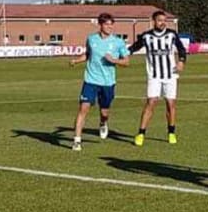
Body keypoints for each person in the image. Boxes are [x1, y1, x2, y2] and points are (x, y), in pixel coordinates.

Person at [69, 12, 131, 150]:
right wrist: (77, 60)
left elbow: (126, 62)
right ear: (100, 24)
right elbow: (88, 54)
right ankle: (77, 141)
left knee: (104, 112)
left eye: (111, 24)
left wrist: (114, 60)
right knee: (83, 108)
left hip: (108, 82)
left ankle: (103, 123)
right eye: (106, 24)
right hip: (90, 79)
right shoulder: (91, 39)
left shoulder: (118, 42)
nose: (109, 27)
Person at [129, 10, 188, 146]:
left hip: (170, 75)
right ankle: (141, 133)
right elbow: (134, 47)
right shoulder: (146, 36)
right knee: (151, 103)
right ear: (154, 21)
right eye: (160, 20)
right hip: (154, 76)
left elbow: (181, 49)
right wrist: (122, 54)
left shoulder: (172, 35)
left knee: (170, 104)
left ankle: (171, 132)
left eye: (164, 20)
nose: (162, 23)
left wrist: (181, 61)